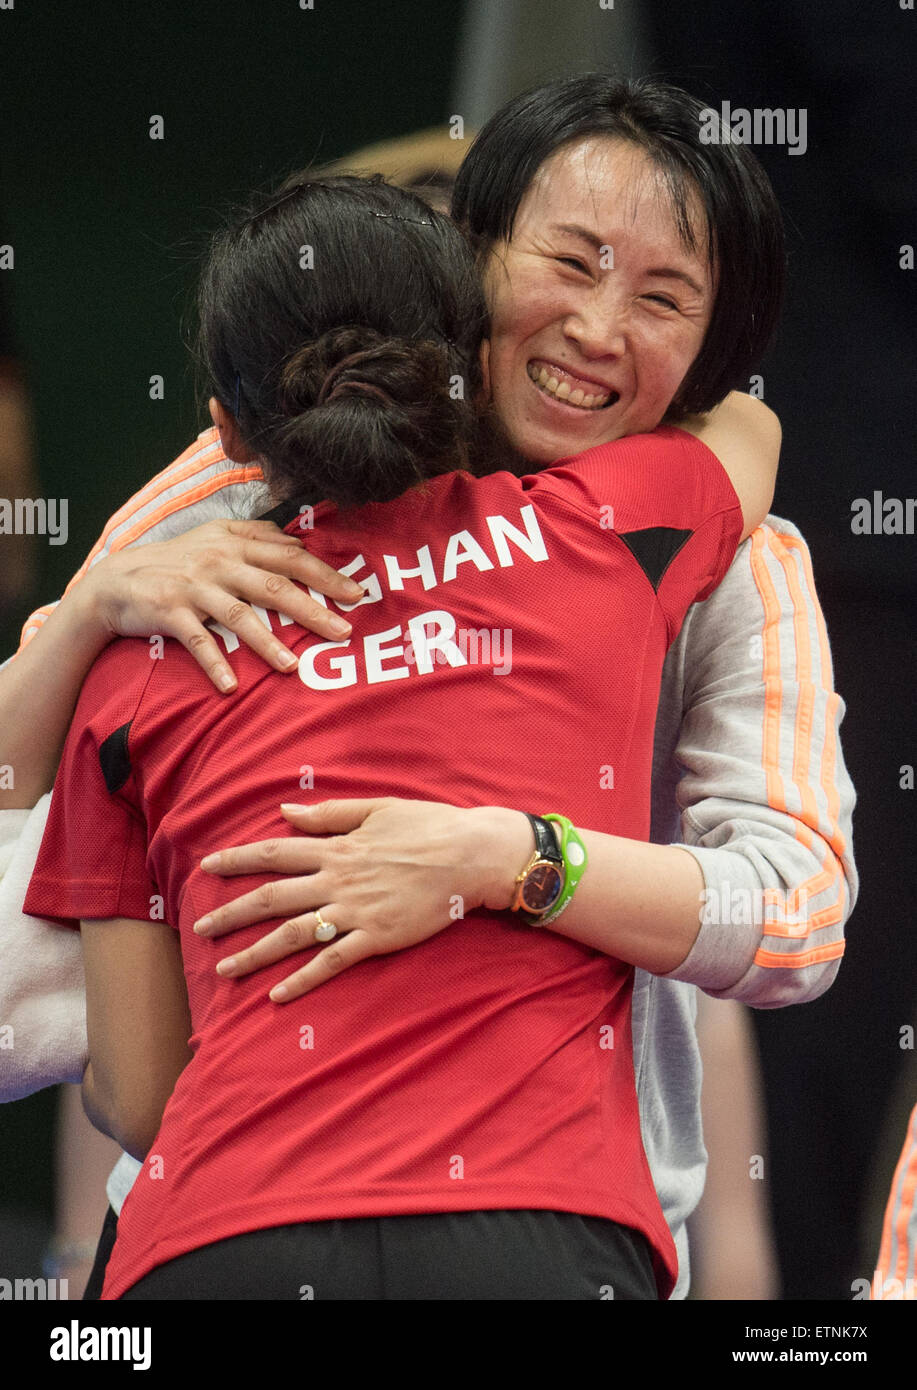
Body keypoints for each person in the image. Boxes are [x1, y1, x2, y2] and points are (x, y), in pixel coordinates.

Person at [0, 75, 855, 1298]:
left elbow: (799, 914)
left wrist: (510, 858)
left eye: (663, 299)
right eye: (569, 261)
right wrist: (86, 610)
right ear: (469, 256)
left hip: (518, 1218)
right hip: (265, 1217)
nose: (599, 329)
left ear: (712, 352)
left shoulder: (728, 555)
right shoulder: (217, 517)